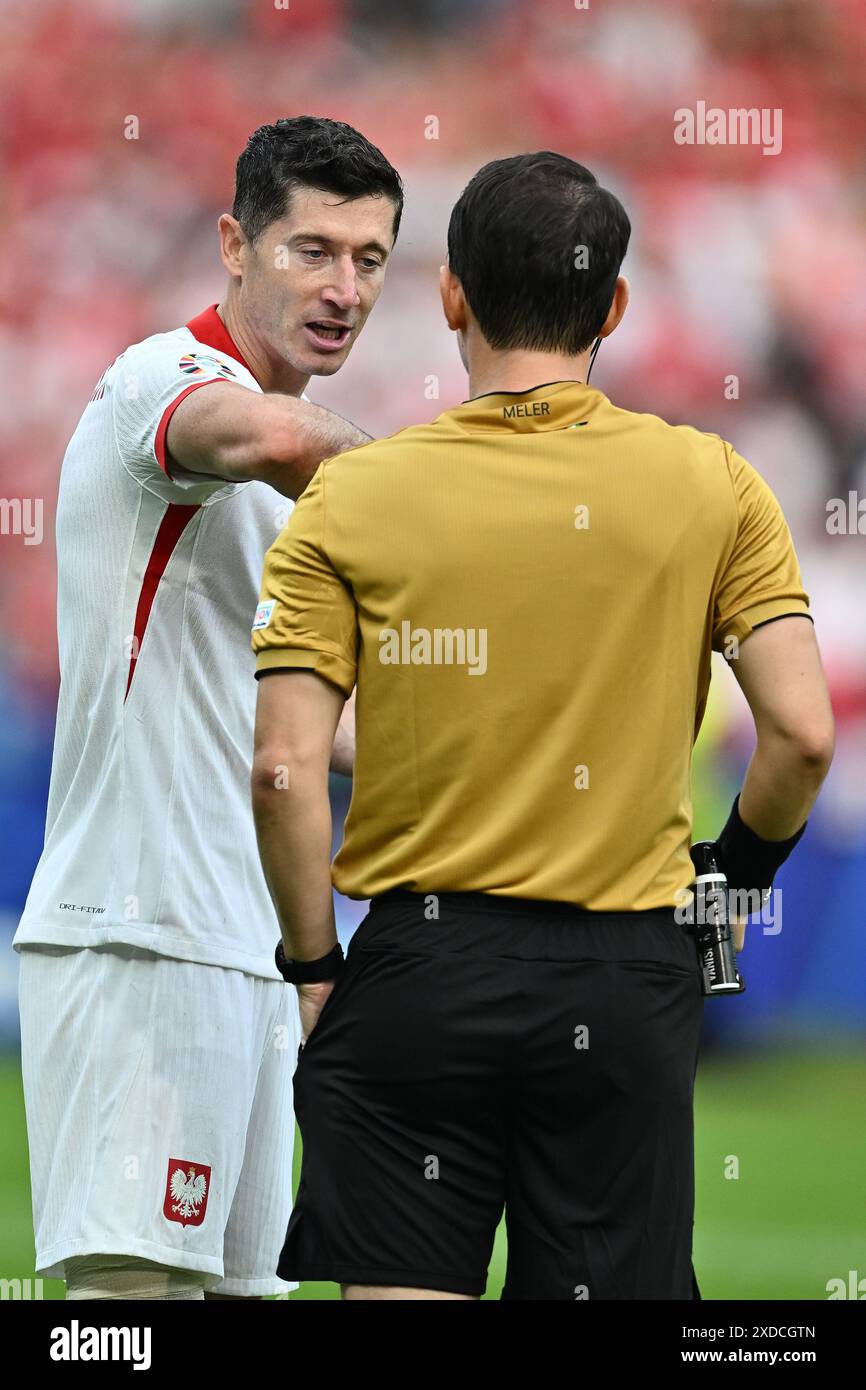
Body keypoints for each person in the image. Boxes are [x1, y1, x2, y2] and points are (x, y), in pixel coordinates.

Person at [249, 152, 835, 1301]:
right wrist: (728, 880)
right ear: (611, 306)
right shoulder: (712, 481)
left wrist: (315, 965)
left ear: (451, 294)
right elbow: (802, 736)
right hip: (624, 970)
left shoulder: (353, 491)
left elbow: (282, 766)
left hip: (417, 966)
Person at [14, 115, 403, 1301]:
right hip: (137, 933)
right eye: (311, 250)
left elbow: (323, 735)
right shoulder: (161, 380)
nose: (342, 288)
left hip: (248, 953)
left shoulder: (288, 513)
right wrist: (472, 500)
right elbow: (270, 431)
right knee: (123, 1319)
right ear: (235, 244)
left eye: (370, 260)